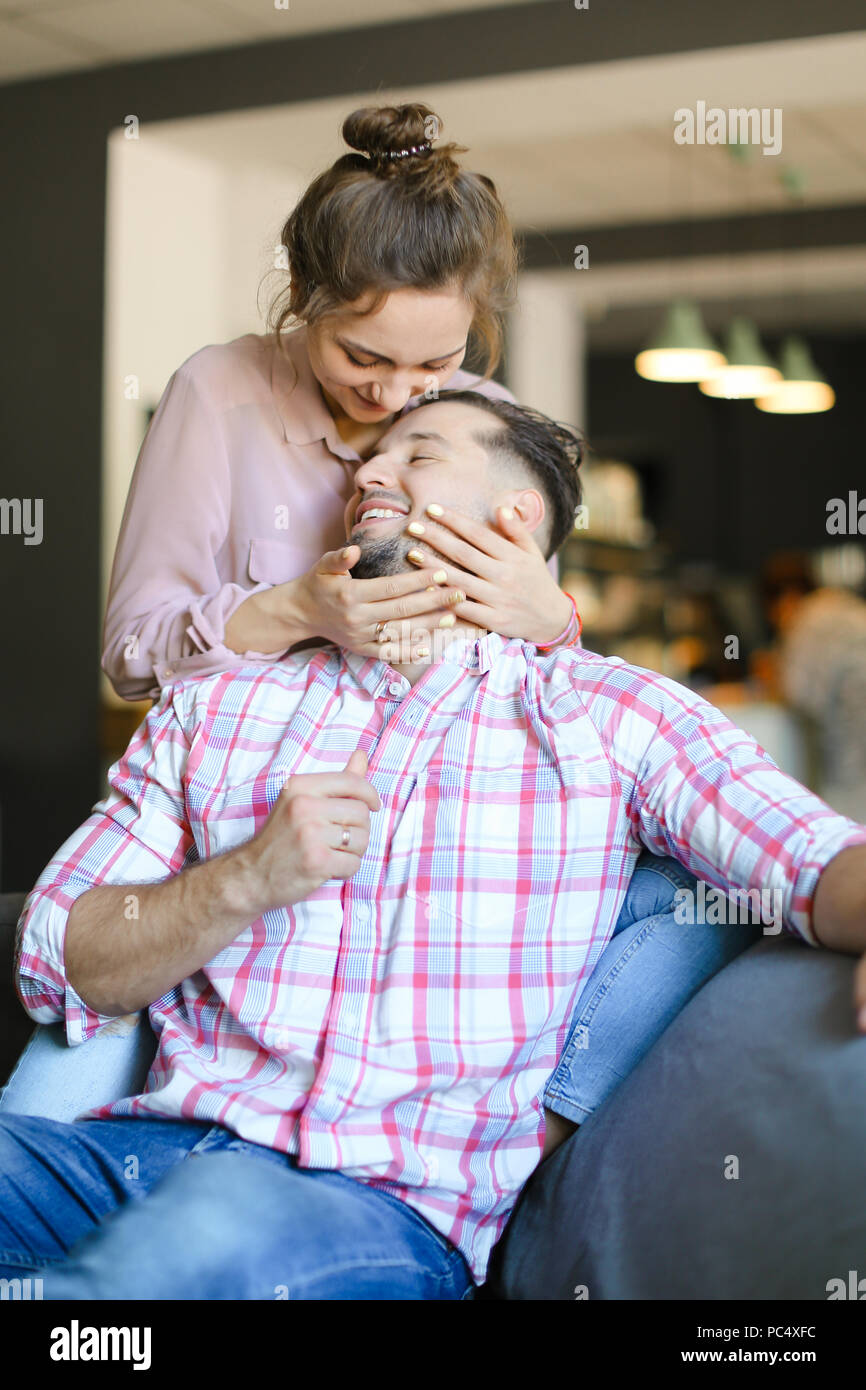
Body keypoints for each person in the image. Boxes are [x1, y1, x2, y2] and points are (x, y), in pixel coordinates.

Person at [12, 393, 866, 1301]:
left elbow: (808, 853)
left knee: (188, 1253)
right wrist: (243, 881)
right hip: (127, 1159)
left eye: (416, 455)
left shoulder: (609, 716)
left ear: (516, 516)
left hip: (367, 1205)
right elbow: (62, 954)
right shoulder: (222, 705)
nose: (369, 473)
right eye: (367, 460)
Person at [102, 102, 576, 703]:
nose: (395, 394)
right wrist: (297, 610)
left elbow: (546, 682)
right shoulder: (217, 393)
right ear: (302, 293)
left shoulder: (480, 414)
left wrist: (554, 621)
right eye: (362, 358)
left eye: (434, 364)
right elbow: (131, 652)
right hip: (257, 785)